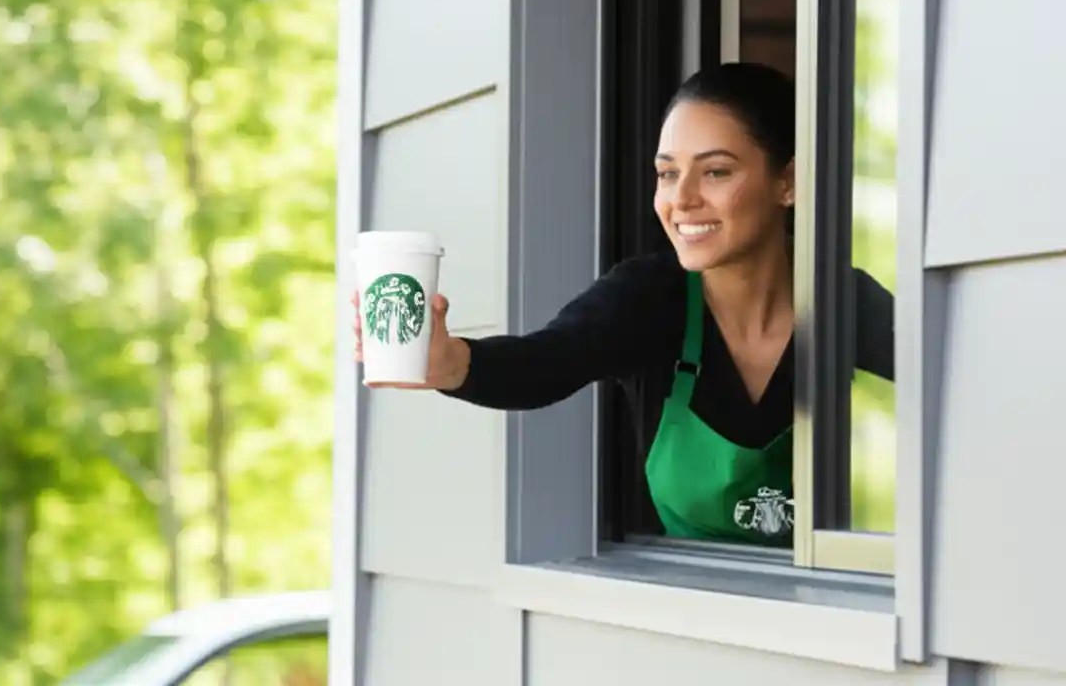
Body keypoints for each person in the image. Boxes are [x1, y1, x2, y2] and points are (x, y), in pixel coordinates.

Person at [351, 62, 893, 547]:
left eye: (716, 171)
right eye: (667, 173)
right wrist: (452, 363)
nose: (681, 200)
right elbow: (545, 362)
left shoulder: (847, 306)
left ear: (788, 182)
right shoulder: (649, 298)